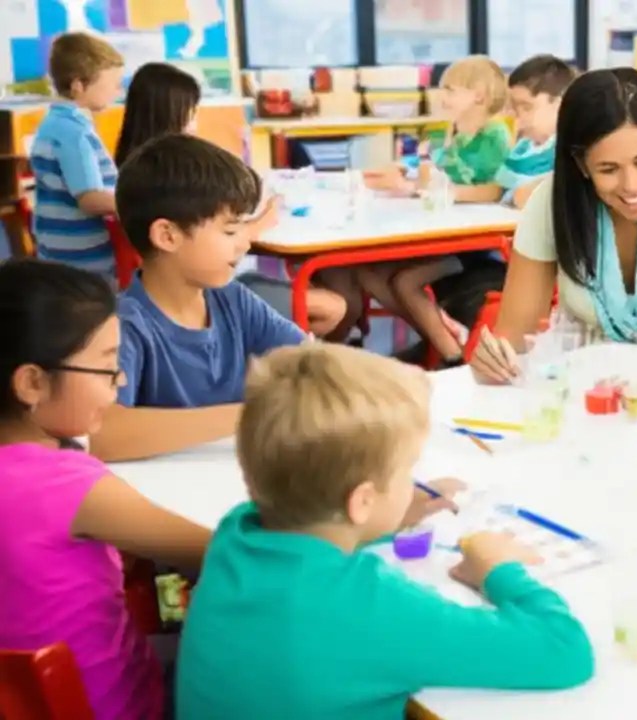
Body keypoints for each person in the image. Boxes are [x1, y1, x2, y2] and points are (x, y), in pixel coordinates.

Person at [176, 343, 595, 717]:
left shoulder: (236, 532)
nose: (414, 480)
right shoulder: (371, 607)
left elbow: (310, 523)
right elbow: (565, 651)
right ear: (361, 501)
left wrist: (392, 517)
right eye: (408, 468)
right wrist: (499, 569)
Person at [0, 258, 210, 719]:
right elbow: (219, 551)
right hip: (115, 707)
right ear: (32, 382)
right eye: (106, 367)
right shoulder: (66, 484)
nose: (122, 381)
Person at [470, 68, 637, 384]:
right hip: (570, 383)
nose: (632, 185)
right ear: (582, 165)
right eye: (608, 169)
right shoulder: (549, 203)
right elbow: (514, 343)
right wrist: (494, 361)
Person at [88, 134, 304, 462]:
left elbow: (310, 361)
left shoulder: (234, 300)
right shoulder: (125, 325)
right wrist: (249, 415)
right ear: (167, 235)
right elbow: (103, 434)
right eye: (230, 231)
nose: (244, 244)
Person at [114, 62, 358, 340]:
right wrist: (258, 225)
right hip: (204, 286)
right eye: (191, 114)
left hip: (211, 287)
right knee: (333, 305)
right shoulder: (135, 333)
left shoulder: (135, 170)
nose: (195, 124)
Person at [359, 55, 513, 366]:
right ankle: (440, 333)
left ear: (479, 95)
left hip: (474, 245)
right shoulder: (454, 135)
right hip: (446, 231)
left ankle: (451, 352)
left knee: (404, 281)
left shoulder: (494, 136)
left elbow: (492, 189)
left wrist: (441, 189)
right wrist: (410, 175)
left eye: (452, 90)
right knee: (368, 272)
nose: (443, 98)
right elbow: (435, 174)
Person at [29, 32, 124, 280]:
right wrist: (137, 202)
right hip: (83, 260)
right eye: (112, 82)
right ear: (78, 86)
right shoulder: (74, 133)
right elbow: (90, 198)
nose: (118, 89)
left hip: (57, 254)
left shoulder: (53, 123)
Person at [441, 54, 574, 209]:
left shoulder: (567, 151)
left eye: (526, 107)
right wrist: (451, 193)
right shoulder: (523, 147)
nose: (516, 115)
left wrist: (521, 194)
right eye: (514, 107)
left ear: (559, 106)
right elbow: (498, 189)